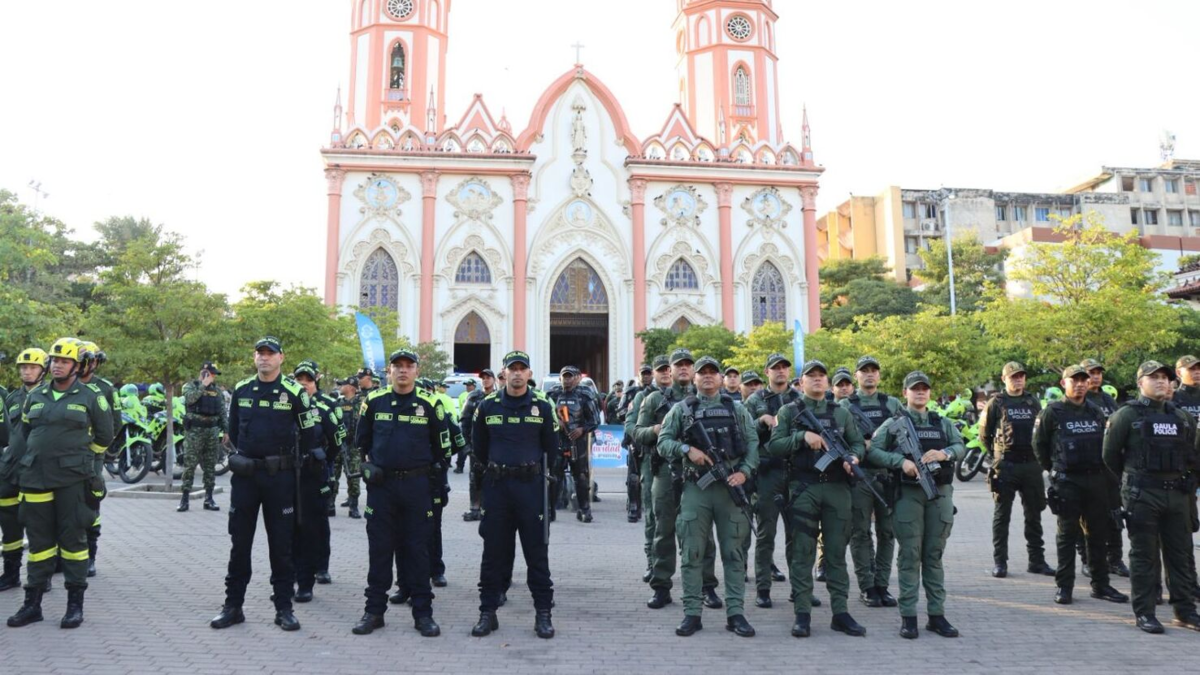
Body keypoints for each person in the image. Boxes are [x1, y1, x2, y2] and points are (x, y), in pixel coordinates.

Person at [5, 338, 114, 629]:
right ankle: (33, 605)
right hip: (35, 478)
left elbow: (105, 436)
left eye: (64, 361)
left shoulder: (91, 396)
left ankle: (74, 606)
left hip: (72, 480)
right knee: (39, 543)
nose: (57, 365)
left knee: (73, 542)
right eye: (54, 361)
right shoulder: (36, 395)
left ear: (76, 366)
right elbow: (24, 433)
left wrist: (82, 459)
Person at [210, 336, 312, 632]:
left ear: (282, 357)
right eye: (260, 353)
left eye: (270, 354)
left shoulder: (294, 392)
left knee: (281, 546)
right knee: (239, 544)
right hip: (246, 478)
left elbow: (308, 433)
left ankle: (284, 609)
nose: (264, 358)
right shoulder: (242, 389)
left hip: (279, 478)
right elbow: (233, 430)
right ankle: (233, 607)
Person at [657, 356, 758, 637]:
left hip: (731, 489)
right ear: (696, 378)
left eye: (714, 372)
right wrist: (686, 450)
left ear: (722, 378)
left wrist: (745, 472)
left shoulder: (737, 409)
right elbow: (663, 442)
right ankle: (692, 613)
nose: (709, 377)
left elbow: (753, 444)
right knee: (692, 553)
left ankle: (735, 613)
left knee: (734, 554)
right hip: (696, 489)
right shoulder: (682, 410)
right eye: (703, 373)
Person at [351, 349, 449, 637]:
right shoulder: (374, 401)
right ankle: (374, 612)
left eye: (409, 366)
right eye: (398, 366)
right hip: (383, 488)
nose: (403, 371)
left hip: (417, 488)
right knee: (379, 550)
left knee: (418, 551)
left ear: (416, 371)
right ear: (389, 371)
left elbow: (443, 447)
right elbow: (362, 441)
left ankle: (423, 614)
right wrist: (368, 467)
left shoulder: (431, 403)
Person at [767, 360, 867, 638]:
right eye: (812, 376)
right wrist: (802, 437)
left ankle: (841, 613)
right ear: (801, 382)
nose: (818, 380)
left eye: (822, 376)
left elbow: (857, 442)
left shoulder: (841, 412)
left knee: (836, 553)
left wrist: (855, 457)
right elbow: (774, 446)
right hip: (803, 488)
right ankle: (802, 613)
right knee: (802, 553)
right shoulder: (789, 411)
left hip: (837, 488)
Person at [1102, 360, 1200, 633]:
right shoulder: (1126, 415)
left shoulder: (1183, 418)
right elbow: (1110, 456)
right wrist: (1133, 480)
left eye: (1166, 377)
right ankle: (1145, 613)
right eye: (1154, 377)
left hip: (1178, 495)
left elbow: (1193, 455)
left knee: (1180, 555)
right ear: (1140, 383)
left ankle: (1185, 611)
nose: (1161, 381)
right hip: (1143, 494)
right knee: (1144, 557)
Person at [864, 371, 962, 639]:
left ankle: (936, 615)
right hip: (908, 495)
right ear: (905, 393)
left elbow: (960, 445)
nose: (920, 392)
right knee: (909, 555)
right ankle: (908, 616)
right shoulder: (893, 423)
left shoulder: (941, 422)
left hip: (939, 494)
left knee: (934, 555)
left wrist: (945, 453)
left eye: (924, 389)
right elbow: (872, 451)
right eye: (914, 388)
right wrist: (901, 463)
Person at [469, 350, 559, 639]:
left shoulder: (543, 405)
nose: (517, 373)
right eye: (512, 368)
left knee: (537, 553)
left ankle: (543, 614)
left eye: (523, 368)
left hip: (530, 488)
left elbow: (552, 449)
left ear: (530, 374)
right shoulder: (487, 406)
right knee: (493, 553)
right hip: (497, 488)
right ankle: (487, 613)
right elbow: (478, 448)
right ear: (504, 373)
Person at [1033, 365, 1129, 606]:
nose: (1079, 384)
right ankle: (1065, 587)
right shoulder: (1052, 412)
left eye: (1083, 380)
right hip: (1067, 482)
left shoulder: (1096, 411)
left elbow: (1108, 447)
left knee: (1098, 535)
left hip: (1096, 481)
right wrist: (1054, 470)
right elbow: (1040, 446)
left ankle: (1101, 585)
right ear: (1063, 383)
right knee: (1066, 536)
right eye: (1074, 380)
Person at [636, 349, 720, 611]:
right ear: (668, 371)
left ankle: (707, 587)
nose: (683, 369)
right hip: (664, 470)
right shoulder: (653, 400)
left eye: (688, 365)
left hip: (700, 475)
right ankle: (661, 587)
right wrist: (655, 430)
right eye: (678, 365)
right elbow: (637, 432)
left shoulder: (707, 398)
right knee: (664, 531)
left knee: (703, 534)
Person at [981, 362, 1053, 578]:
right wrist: (999, 456)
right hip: (1006, 466)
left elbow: (1040, 433)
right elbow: (984, 436)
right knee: (1002, 515)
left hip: (1031, 465)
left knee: (1035, 514)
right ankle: (1000, 562)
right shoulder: (996, 402)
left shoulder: (1033, 401)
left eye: (1021, 376)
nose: (1018, 379)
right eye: (1013, 377)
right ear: (1004, 379)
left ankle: (1037, 561)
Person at [841, 356, 902, 609]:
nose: (869, 375)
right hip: (859, 478)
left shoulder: (892, 403)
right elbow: (837, 437)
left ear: (879, 375)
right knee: (860, 533)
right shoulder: (844, 404)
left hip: (887, 476)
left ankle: (882, 585)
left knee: (887, 533)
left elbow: (904, 437)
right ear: (856, 376)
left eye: (873, 371)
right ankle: (867, 586)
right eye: (864, 371)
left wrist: (877, 447)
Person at [742, 353, 800, 609]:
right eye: (775, 368)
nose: (780, 372)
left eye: (784, 367)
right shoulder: (754, 400)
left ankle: (800, 588)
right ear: (766, 372)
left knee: (799, 536)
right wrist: (760, 421)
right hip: (767, 474)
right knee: (766, 534)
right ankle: (763, 588)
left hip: (797, 473)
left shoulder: (799, 399)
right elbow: (741, 433)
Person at [291, 362, 344, 603]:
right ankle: (289, 574)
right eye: (299, 379)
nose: (303, 384)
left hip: (316, 474)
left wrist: (323, 462)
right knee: (288, 528)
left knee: (316, 526)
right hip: (288, 475)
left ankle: (317, 569)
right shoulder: (285, 405)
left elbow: (336, 441)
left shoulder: (325, 407)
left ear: (315, 383)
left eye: (308, 380)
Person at [0, 348, 47, 593]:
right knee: (9, 523)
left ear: (43, 370)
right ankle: (10, 573)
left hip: (38, 472)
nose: (26, 371)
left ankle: (42, 577)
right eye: (23, 367)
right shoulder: (11, 397)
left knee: (39, 527)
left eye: (32, 367)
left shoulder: (49, 396)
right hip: (10, 470)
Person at [1080, 358, 1129, 578]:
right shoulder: (1080, 400)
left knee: (1114, 514)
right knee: (1086, 518)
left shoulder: (1108, 400)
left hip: (1110, 468)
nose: (1096, 376)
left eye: (1099, 372)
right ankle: (1087, 560)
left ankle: (1115, 559)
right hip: (1086, 466)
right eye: (1091, 372)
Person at [75, 341, 120, 578]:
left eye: (88, 359)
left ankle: (90, 556)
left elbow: (115, 424)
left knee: (91, 502)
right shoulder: (61, 386)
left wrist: (96, 449)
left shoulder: (104, 388)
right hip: (65, 456)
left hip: (92, 455)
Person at [548, 366, 600, 522]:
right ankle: (550, 510)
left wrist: (581, 429)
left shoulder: (585, 395)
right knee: (553, 477)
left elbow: (595, 421)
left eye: (570, 376)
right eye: (565, 376)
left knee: (581, 477)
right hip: (558, 441)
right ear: (560, 378)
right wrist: (556, 422)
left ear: (576, 378)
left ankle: (584, 510)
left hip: (578, 442)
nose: (567, 379)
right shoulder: (552, 394)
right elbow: (543, 416)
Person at [626, 360, 662, 578]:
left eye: (669, 368)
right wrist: (653, 431)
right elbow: (631, 427)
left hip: (685, 463)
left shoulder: (691, 396)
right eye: (661, 370)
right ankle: (653, 562)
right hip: (653, 461)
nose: (666, 373)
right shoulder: (642, 397)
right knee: (653, 515)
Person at [179, 361, 228, 513]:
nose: (213, 377)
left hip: (212, 432)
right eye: (211, 374)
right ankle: (184, 499)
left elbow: (222, 412)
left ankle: (209, 498)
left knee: (210, 466)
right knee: (190, 465)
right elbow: (190, 399)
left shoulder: (217, 392)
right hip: (194, 431)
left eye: (214, 375)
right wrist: (203, 385)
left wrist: (226, 430)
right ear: (204, 373)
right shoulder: (190, 386)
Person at [459, 369, 496, 518]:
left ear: (494, 380)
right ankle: (475, 508)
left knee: (495, 477)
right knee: (475, 478)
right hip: (476, 446)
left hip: (495, 446)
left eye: (488, 377)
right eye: (483, 378)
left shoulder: (499, 398)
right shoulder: (473, 397)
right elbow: (464, 422)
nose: (485, 380)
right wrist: (466, 446)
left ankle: (491, 508)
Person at [330, 377, 359, 516]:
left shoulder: (361, 403)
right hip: (338, 445)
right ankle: (330, 504)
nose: (340, 387)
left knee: (353, 477)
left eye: (343, 384)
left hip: (353, 447)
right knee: (333, 476)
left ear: (352, 387)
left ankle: (353, 506)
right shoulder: (337, 403)